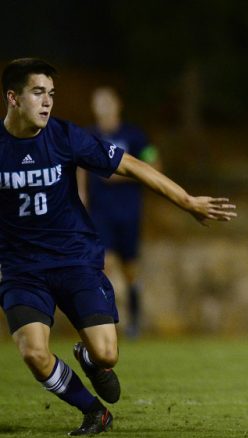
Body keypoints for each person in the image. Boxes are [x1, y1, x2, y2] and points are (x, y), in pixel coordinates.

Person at [0, 58, 236, 436]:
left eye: (51, 94)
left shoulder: (64, 136)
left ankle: (90, 359)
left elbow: (132, 166)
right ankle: (94, 412)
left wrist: (187, 201)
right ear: (13, 98)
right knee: (34, 353)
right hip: (21, 269)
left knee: (107, 353)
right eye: (38, 93)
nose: (47, 103)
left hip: (74, 260)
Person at [81, 86, 161, 338]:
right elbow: (80, 167)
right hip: (100, 213)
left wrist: (123, 174)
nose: (103, 106)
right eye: (98, 102)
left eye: (108, 101)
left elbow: (154, 161)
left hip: (128, 212)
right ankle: (105, 321)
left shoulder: (134, 136)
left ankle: (134, 319)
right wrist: (81, 195)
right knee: (104, 264)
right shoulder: (89, 136)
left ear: (118, 105)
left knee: (130, 269)